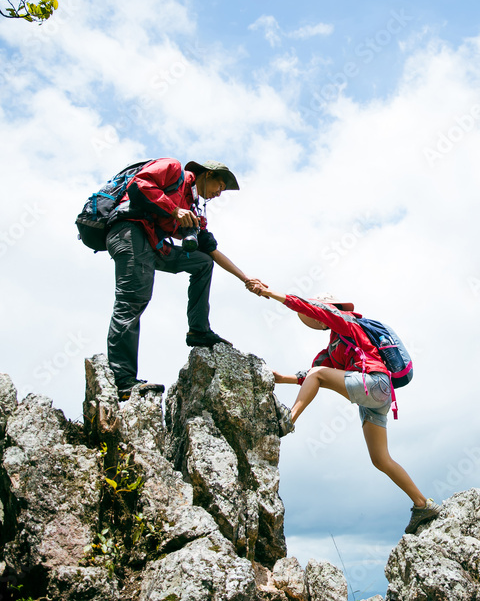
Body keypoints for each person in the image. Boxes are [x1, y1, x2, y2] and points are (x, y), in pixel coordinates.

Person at [257, 287, 441, 534]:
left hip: (374, 382)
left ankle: (288, 421)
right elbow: (313, 374)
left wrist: (270, 293)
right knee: (380, 459)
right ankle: (423, 505)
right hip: (377, 396)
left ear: (330, 308)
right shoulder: (336, 345)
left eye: (320, 311)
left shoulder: (347, 323)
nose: (318, 317)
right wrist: (282, 378)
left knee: (318, 375)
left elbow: (317, 373)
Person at [105, 158, 266, 397]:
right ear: (207, 175)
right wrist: (174, 209)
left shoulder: (194, 210)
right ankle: (123, 381)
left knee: (202, 262)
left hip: (153, 246)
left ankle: (198, 331)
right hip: (130, 233)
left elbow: (209, 249)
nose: (219, 194)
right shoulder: (172, 169)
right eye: (219, 187)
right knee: (133, 301)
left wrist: (245, 278)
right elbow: (139, 186)